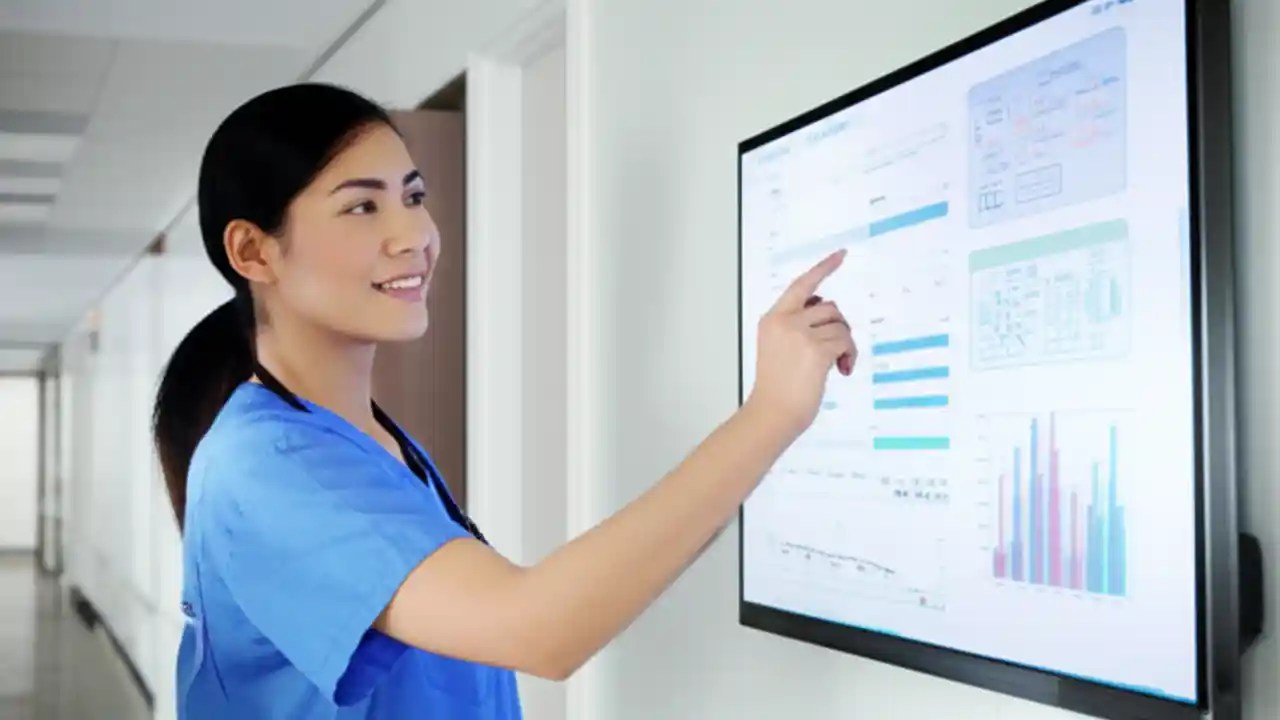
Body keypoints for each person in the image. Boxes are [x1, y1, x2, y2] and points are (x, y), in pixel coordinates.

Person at [153, 82, 857, 720]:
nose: (415, 237)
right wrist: (771, 413)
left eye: (415, 197)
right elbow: (536, 629)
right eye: (363, 206)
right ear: (254, 252)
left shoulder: (369, 441)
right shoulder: (269, 466)